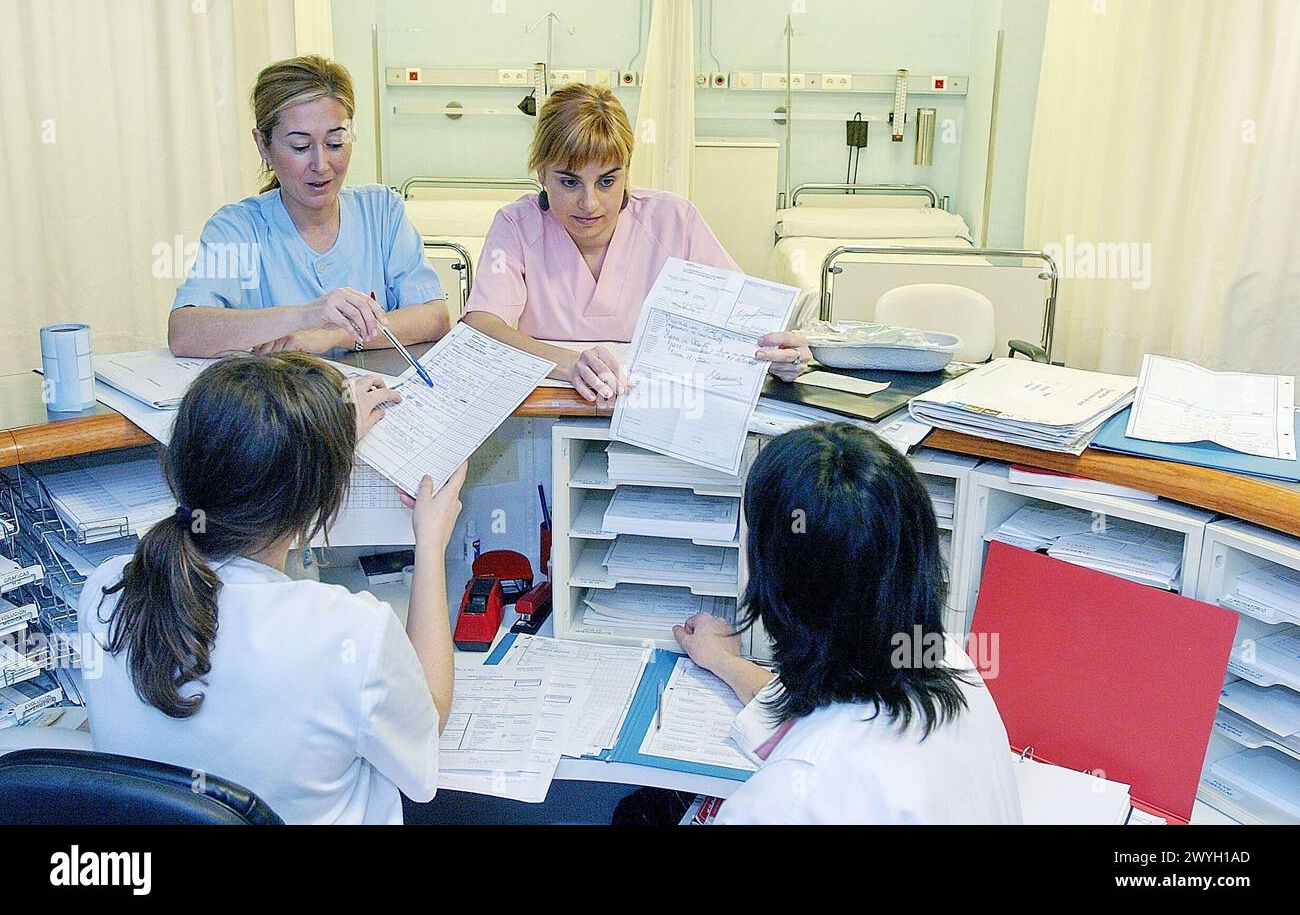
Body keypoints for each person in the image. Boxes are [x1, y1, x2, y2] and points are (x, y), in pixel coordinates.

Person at [78, 353, 466, 824]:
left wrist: (324, 450)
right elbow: (428, 721)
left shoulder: (106, 590)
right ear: (317, 501)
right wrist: (430, 544)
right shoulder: (353, 632)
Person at [673, 423, 1022, 824]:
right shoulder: (945, 662)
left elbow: (823, 754)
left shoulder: (792, 800)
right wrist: (727, 663)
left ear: (777, 580)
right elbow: (834, 708)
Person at [462, 82, 812, 404]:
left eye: (607, 181)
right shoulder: (516, 225)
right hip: (543, 412)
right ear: (541, 174)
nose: (590, 203)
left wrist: (781, 355)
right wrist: (569, 365)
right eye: (569, 183)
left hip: (658, 408)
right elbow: (481, 326)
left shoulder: (674, 221)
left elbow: (746, 321)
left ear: (627, 170)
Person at [168, 56, 450, 358]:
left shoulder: (380, 211)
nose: (321, 165)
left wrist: (337, 335)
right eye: (301, 147)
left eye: (335, 144)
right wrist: (306, 315)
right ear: (263, 145)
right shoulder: (238, 227)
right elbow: (186, 333)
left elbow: (434, 317)